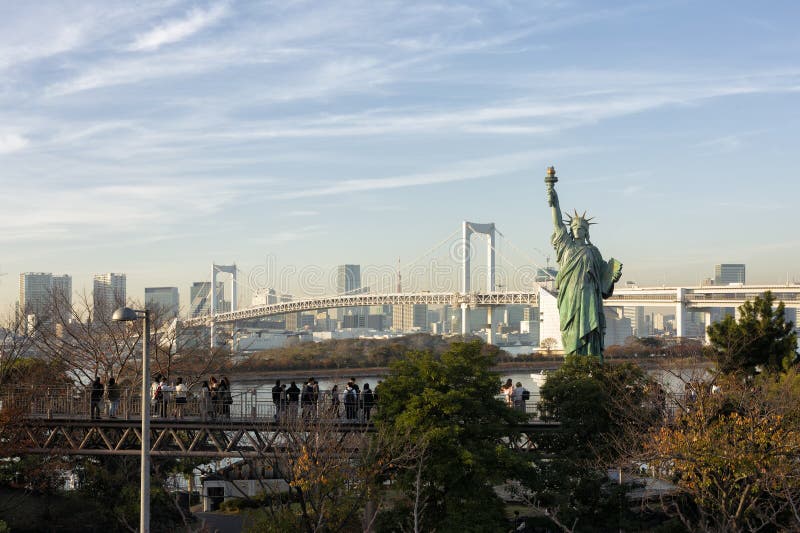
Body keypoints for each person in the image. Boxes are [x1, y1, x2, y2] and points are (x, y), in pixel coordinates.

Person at [546, 166, 622, 357]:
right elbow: (557, 223)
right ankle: (574, 361)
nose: (577, 229)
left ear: (587, 231)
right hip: (570, 296)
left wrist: (613, 276)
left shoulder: (593, 251)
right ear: (570, 229)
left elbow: (604, 280)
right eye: (574, 226)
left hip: (590, 295)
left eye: (581, 227)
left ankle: (592, 359)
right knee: (572, 330)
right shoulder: (565, 245)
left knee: (591, 333)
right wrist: (553, 194)